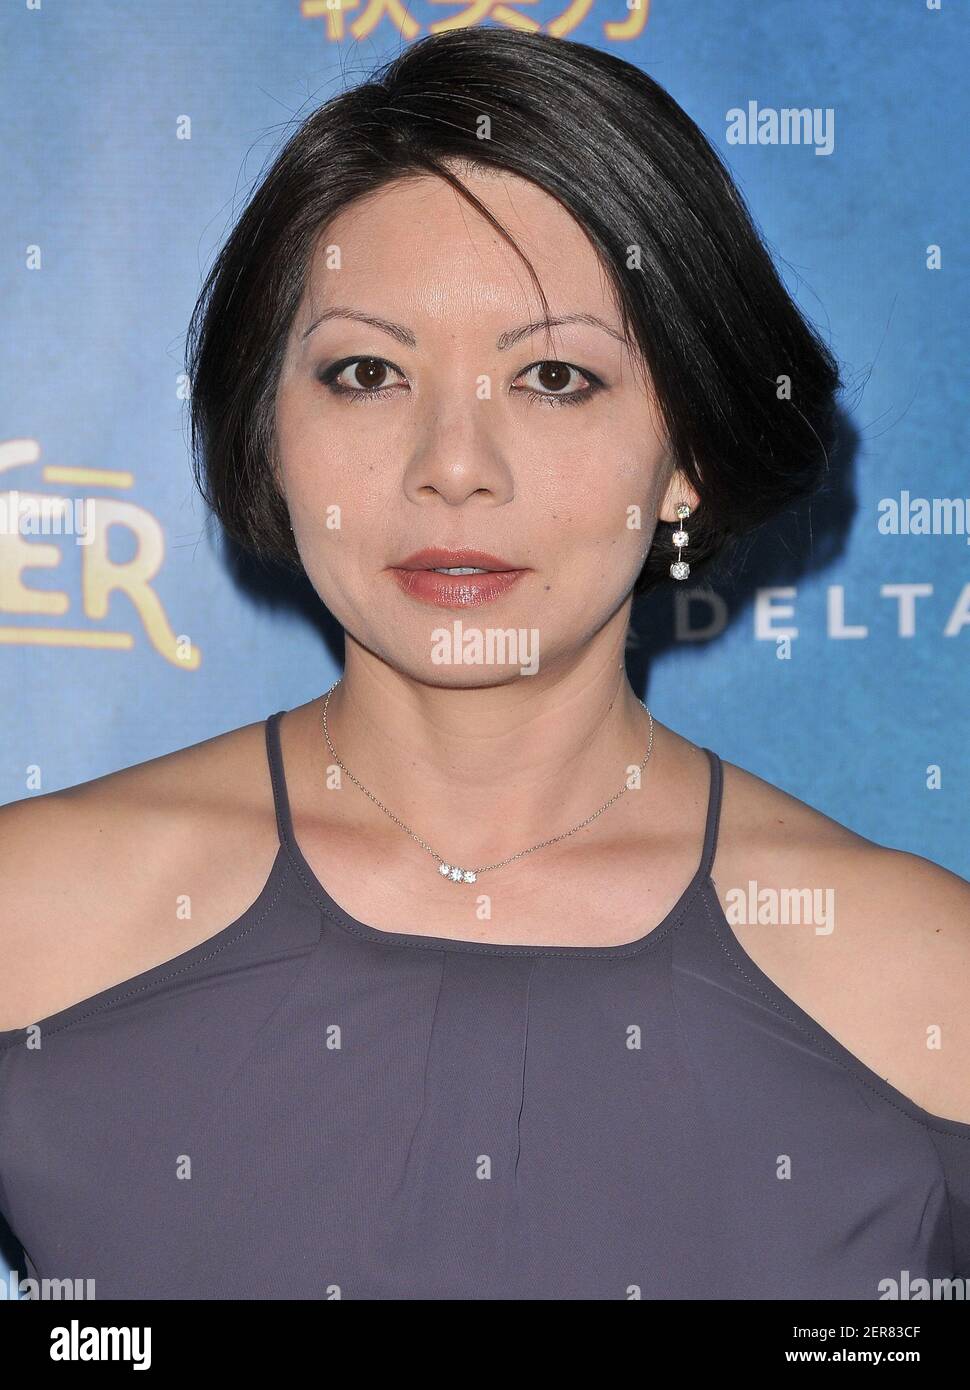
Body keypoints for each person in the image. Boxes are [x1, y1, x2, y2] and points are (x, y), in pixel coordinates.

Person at [2, 27, 968, 1302]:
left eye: (556, 376)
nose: (452, 465)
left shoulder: (920, 978)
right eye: (366, 373)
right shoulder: (34, 920)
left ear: (687, 454)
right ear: (266, 429)